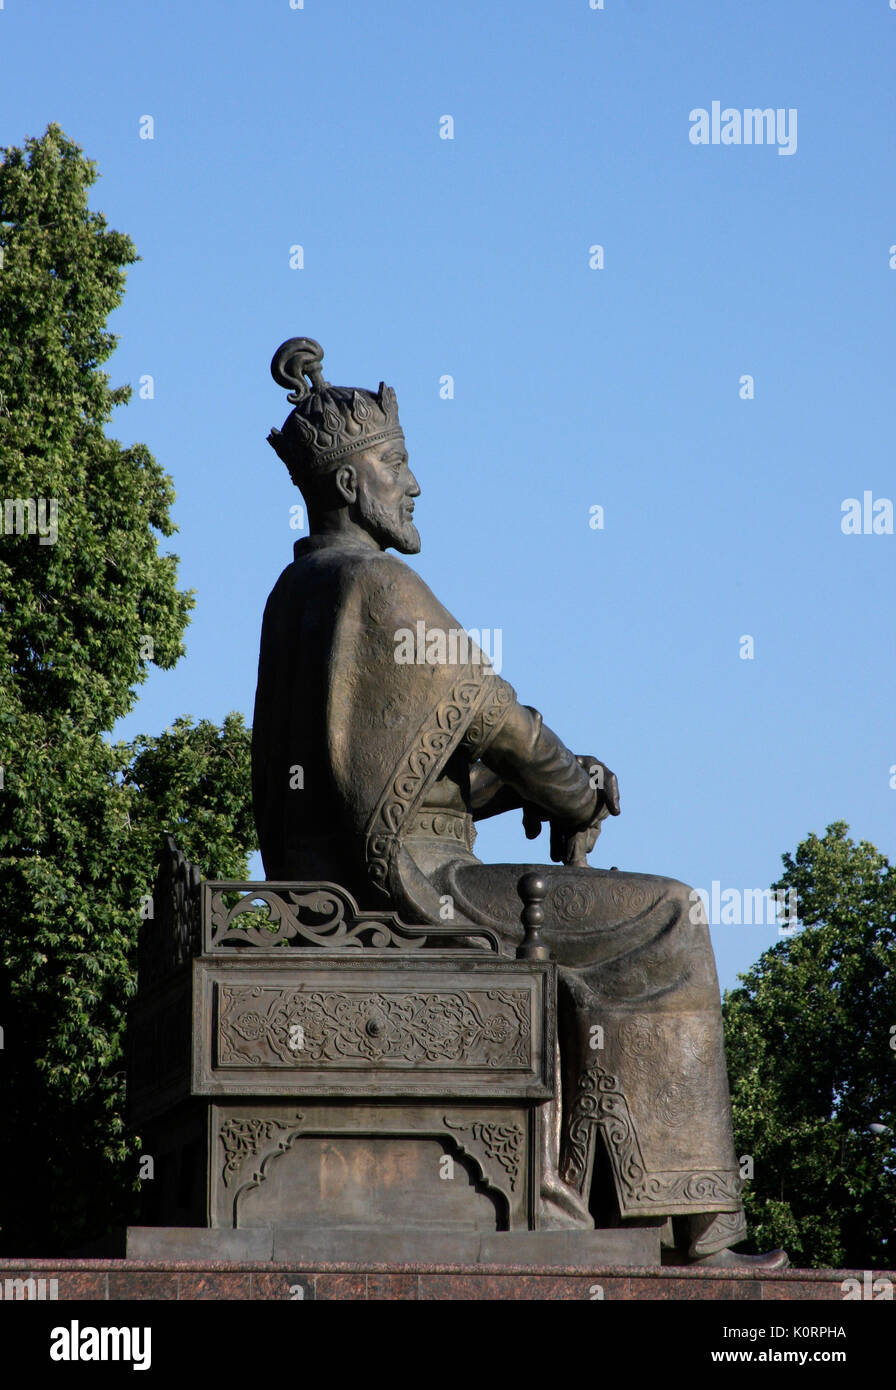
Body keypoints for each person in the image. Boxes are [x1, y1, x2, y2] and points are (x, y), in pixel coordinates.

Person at [252, 337, 787, 1268]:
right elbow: (499, 720)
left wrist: (521, 791)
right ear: (347, 482)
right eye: (398, 466)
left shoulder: (293, 592)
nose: (415, 486)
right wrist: (571, 784)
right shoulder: (381, 585)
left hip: (341, 892)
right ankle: (700, 1232)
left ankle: (612, 1190)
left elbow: (400, 779)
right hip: (419, 894)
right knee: (669, 914)